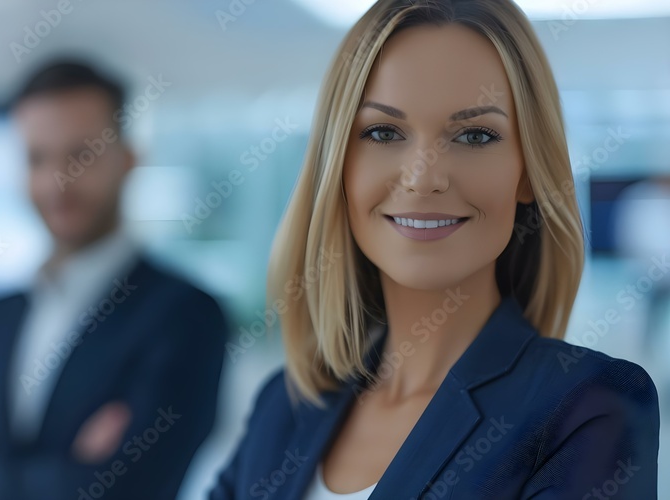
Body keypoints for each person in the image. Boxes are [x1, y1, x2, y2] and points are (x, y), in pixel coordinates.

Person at [210, 1, 659, 498]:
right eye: (384, 132)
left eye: (474, 135)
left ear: (528, 171)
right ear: (338, 165)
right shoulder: (287, 406)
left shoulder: (586, 406)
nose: (424, 178)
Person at [0, 60, 229, 499]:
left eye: (82, 155)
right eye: (38, 158)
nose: (58, 182)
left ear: (129, 160)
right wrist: (62, 471)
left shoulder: (185, 316)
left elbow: (128, 488)